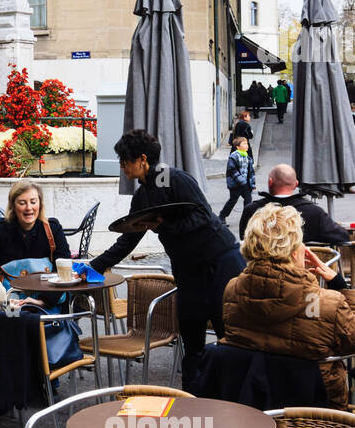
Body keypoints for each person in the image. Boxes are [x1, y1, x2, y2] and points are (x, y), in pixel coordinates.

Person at [90, 129, 245, 383]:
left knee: (226, 332)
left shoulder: (168, 177)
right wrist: (94, 266)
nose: (121, 166)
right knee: (191, 334)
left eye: (123, 160)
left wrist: (163, 226)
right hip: (188, 270)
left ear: (142, 159)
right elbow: (128, 239)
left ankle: (235, 397)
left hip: (219, 261)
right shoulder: (143, 194)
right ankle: (194, 397)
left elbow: (202, 217)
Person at [222, 204, 355, 409]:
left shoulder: (233, 290)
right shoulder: (321, 302)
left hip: (253, 405)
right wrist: (341, 287)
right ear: (294, 252)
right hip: (314, 414)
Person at [238, 164, 350, 245]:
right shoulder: (314, 213)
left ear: (270, 182)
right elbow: (342, 237)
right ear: (296, 184)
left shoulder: (252, 210)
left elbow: (245, 239)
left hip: (262, 273)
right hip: (304, 271)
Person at [0, 180, 70, 278]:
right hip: (11, 290)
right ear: (13, 206)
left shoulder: (53, 228)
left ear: (40, 204)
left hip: (48, 289)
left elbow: (64, 263)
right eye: (22, 203)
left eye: (33, 202)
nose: (29, 208)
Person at [218, 135, 255, 222]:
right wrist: (241, 180)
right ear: (238, 147)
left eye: (247, 144)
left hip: (245, 184)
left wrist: (252, 184)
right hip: (236, 184)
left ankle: (247, 218)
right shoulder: (233, 157)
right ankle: (222, 216)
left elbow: (251, 172)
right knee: (233, 200)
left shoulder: (247, 157)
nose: (247, 145)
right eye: (244, 144)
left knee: (248, 200)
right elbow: (232, 170)